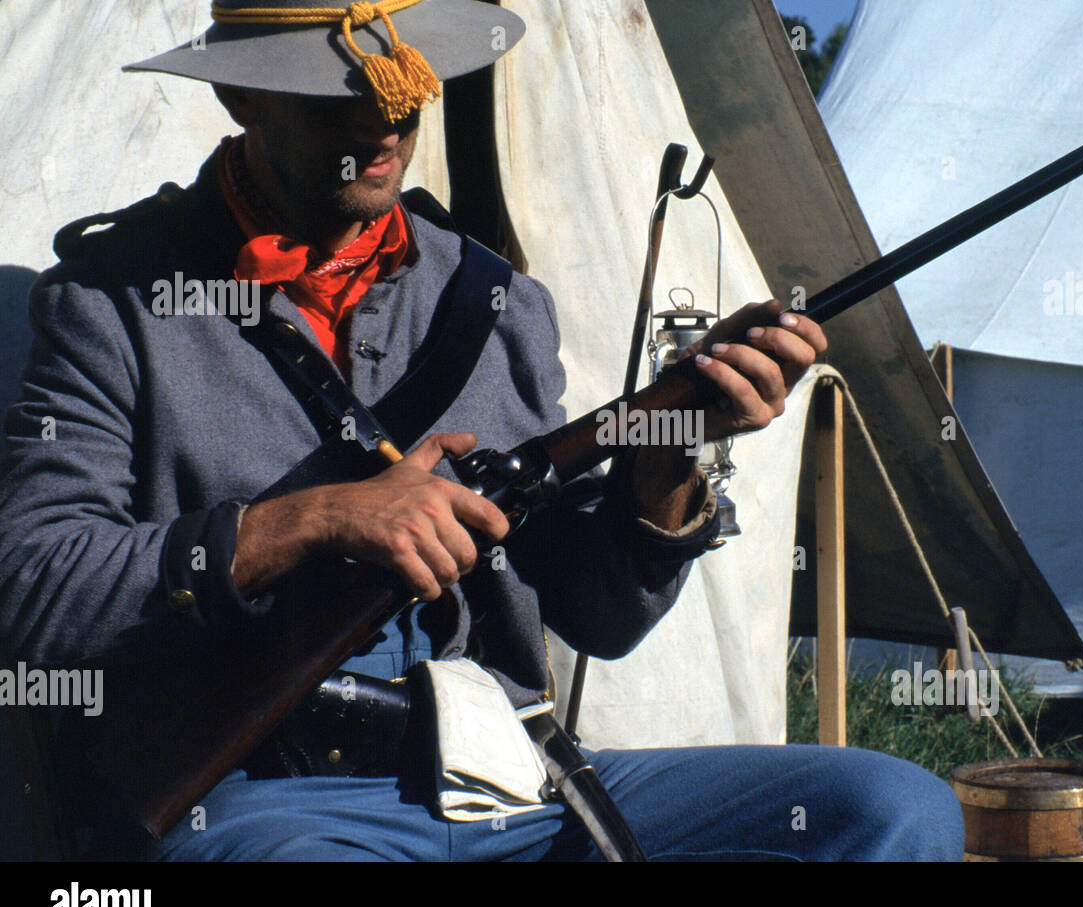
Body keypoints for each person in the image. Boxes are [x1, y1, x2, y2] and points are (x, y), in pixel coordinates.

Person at [0, 0, 964, 861]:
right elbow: (36, 588)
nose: (383, 124)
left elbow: (596, 616)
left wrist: (668, 454)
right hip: (272, 801)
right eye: (338, 96)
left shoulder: (497, 301)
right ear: (243, 98)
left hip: (514, 774)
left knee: (890, 809)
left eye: (402, 87)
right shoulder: (113, 300)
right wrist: (318, 519)